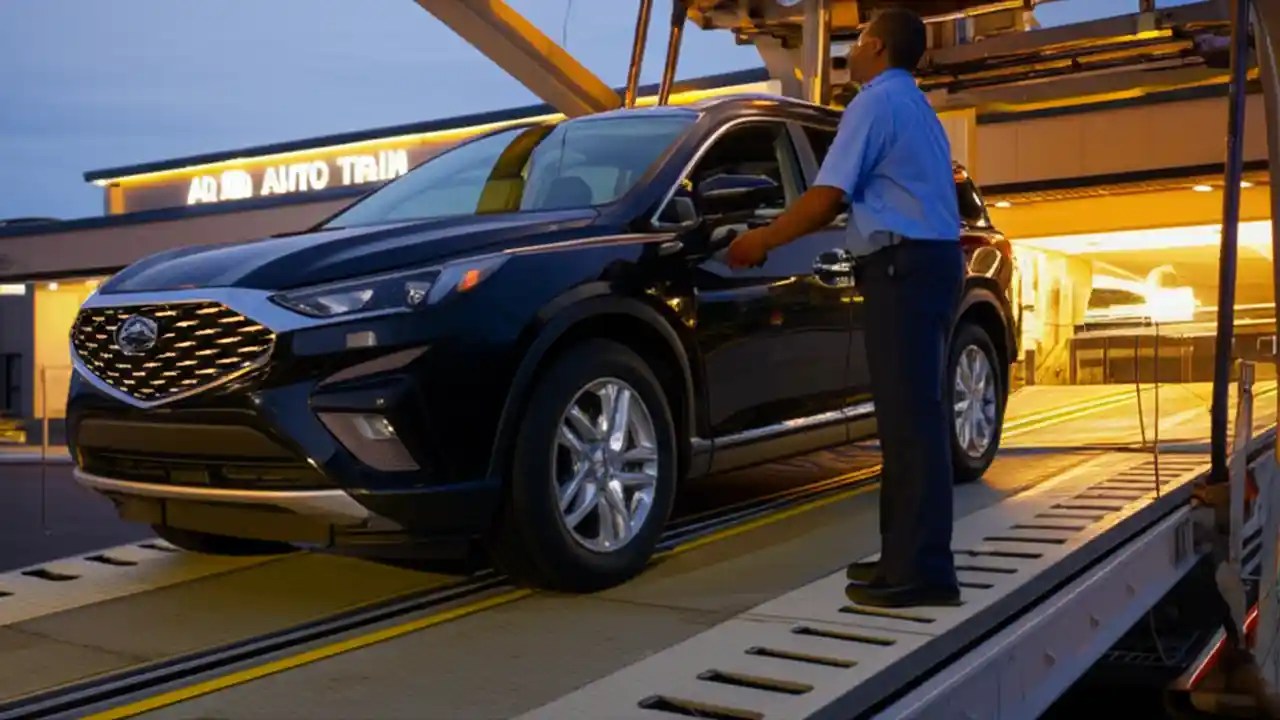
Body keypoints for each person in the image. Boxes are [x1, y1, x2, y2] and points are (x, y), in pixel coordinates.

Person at [725, 6, 964, 608]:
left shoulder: (874, 104)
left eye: (857, 40)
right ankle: (902, 560)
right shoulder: (915, 108)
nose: (850, 51)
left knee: (910, 427)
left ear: (878, 46)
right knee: (911, 423)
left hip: (902, 270)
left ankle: (925, 574)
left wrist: (762, 241)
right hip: (923, 267)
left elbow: (828, 195)